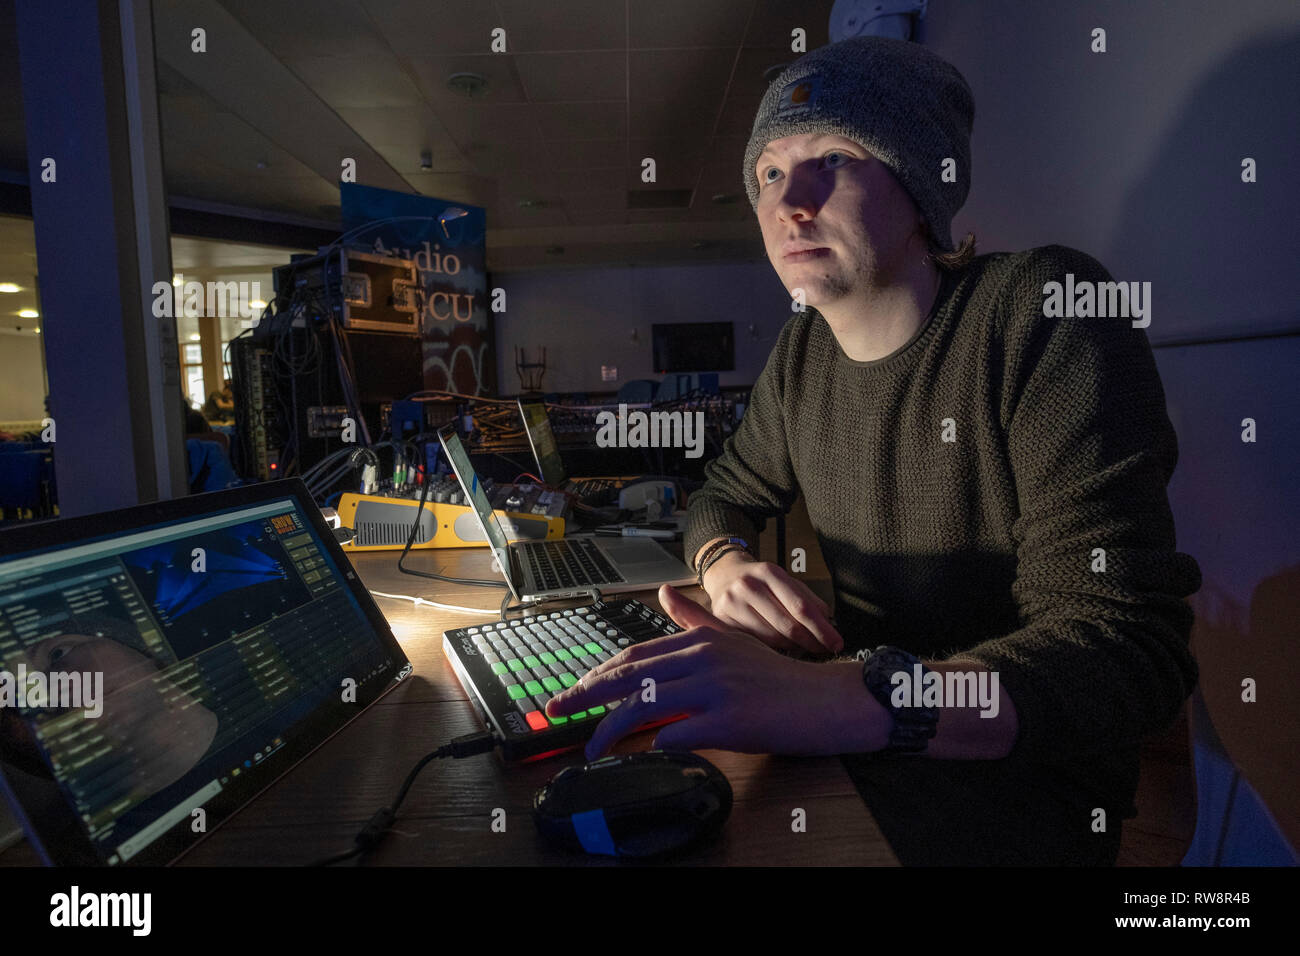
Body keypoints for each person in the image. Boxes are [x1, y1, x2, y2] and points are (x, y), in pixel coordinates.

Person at [545, 36, 1200, 865]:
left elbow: (1123, 651)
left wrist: (838, 698)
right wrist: (723, 564)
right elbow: (724, 492)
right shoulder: (801, 353)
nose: (791, 202)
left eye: (834, 158)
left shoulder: (1048, 311)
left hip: (1020, 782)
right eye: (770, 172)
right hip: (856, 726)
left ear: (923, 185)